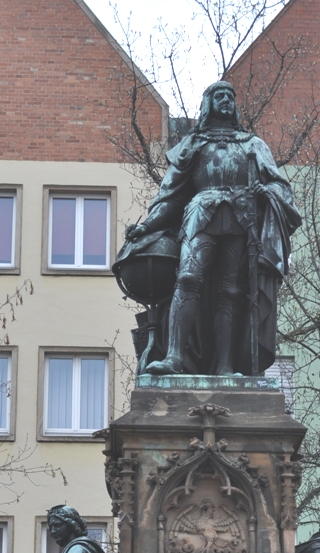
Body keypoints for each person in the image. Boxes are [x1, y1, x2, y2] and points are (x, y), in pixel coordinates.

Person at [117, 80, 302, 377]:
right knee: (188, 278)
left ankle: (226, 367)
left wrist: (264, 194)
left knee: (230, 292)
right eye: (220, 95)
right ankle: (175, 357)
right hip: (201, 214)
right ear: (208, 102)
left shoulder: (253, 145)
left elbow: (280, 188)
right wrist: (148, 225)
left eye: (230, 95)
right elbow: (171, 194)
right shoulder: (193, 143)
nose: (226, 99)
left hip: (242, 220)